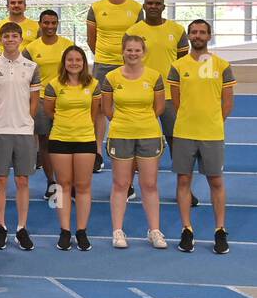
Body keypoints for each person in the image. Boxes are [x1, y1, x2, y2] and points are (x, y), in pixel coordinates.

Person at [169, 19, 234, 255]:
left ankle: (220, 230)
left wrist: (212, 122)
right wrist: (189, 119)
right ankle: (187, 229)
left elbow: (227, 103)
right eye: (194, 32)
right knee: (183, 181)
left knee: (216, 182)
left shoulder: (223, 65)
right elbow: (176, 102)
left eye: (202, 32)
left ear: (209, 36)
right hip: (184, 133)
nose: (198, 35)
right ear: (188, 36)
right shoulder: (177, 66)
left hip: (212, 134)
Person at [101, 34, 167, 249]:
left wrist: (143, 120)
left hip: (149, 134)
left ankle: (154, 231)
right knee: (121, 184)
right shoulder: (111, 77)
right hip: (121, 134)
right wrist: (124, 121)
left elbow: (159, 108)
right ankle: (118, 231)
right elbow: (106, 109)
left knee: (149, 184)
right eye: (129, 50)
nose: (133, 53)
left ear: (143, 52)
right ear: (123, 51)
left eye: (137, 50)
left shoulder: (154, 76)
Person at [0, 22, 42, 251]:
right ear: (0, 40)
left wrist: (27, 121)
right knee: (0, 179)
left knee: (22, 180)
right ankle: (1, 226)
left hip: (23, 130)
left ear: (21, 39)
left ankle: (21, 227)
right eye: (6, 36)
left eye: (14, 36)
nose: (10, 39)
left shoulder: (31, 66)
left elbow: (35, 99)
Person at [44, 45, 103, 252]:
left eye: (78, 59)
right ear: (64, 62)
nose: (74, 63)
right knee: (63, 186)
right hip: (60, 139)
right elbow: (49, 111)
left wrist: (82, 128)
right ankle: (65, 231)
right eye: (70, 60)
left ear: (84, 63)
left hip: (85, 140)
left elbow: (94, 115)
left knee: (83, 186)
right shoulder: (53, 85)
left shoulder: (94, 85)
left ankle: (81, 231)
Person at [87, 0, 143, 171]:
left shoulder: (136, 8)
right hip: (103, 64)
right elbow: (91, 37)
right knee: (100, 108)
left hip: (129, 65)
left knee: (130, 106)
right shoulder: (97, 7)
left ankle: (131, 151)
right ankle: (98, 153)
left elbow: (140, 37)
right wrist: (102, 56)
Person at [126, 0, 187, 157]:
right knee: (138, 137)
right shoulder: (132, 31)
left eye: (157, 3)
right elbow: (128, 63)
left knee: (175, 135)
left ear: (163, 7)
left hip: (169, 93)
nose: (153, 6)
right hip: (141, 93)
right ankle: (134, 174)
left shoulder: (177, 30)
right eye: (150, 3)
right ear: (144, 6)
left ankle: (180, 171)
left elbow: (183, 63)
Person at [22, 9, 74, 200]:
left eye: (53, 23)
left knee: (67, 142)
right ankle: (51, 182)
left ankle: (69, 183)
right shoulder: (31, 49)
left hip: (65, 99)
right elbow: (24, 76)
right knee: (45, 142)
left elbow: (76, 69)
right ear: (40, 24)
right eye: (46, 23)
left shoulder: (67, 45)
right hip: (42, 98)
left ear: (57, 24)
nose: (50, 26)